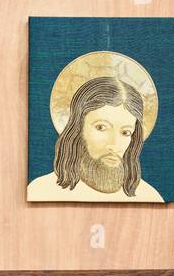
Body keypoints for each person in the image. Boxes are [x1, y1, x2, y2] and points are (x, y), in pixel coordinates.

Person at [27, 75, 163, 202]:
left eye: (126, 132)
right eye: (101, 127)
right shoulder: (41, 191)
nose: (114, 145)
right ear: (78, 128)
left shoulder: (149, 196)